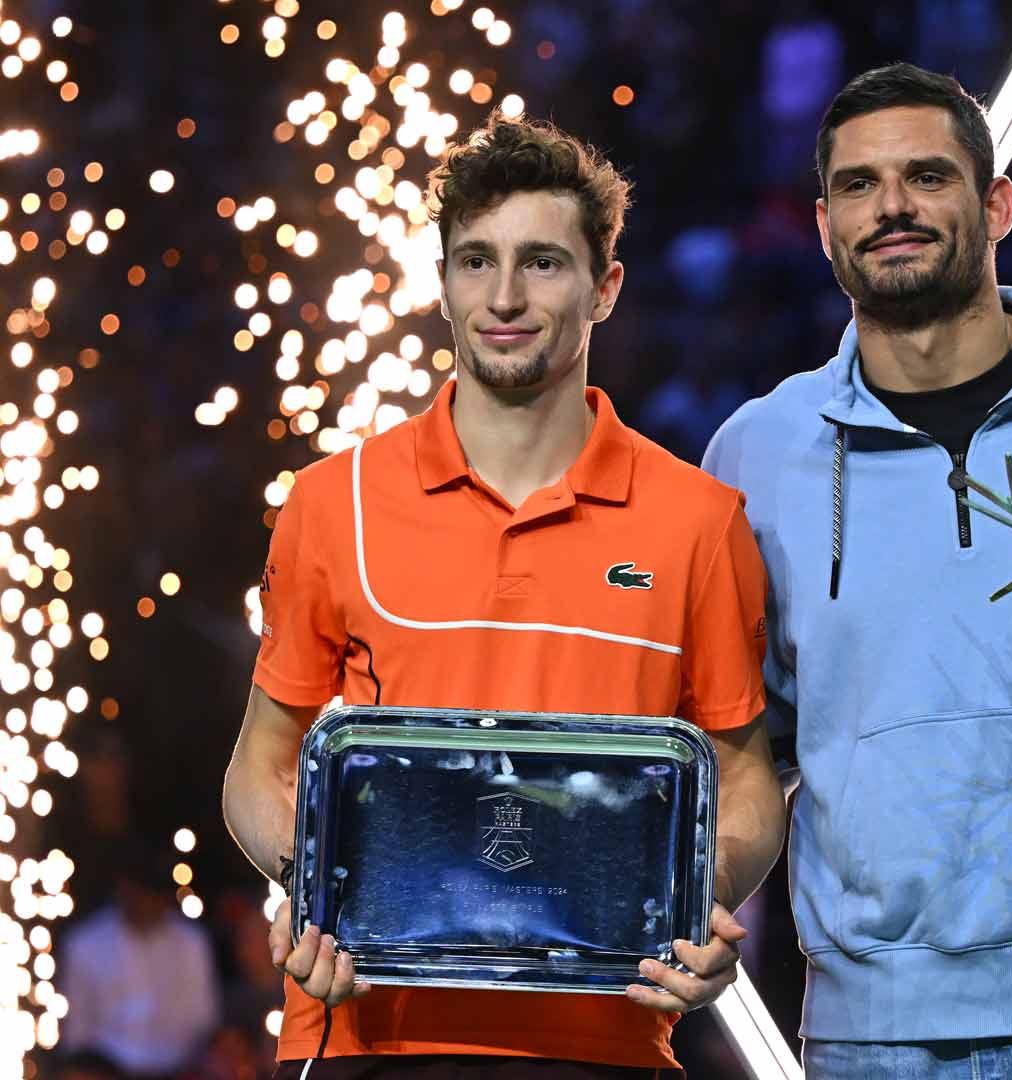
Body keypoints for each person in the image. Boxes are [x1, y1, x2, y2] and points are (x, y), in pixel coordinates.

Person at [220, 114, 785, 1077]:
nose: (506, 297)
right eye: (476, 261)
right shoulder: (330, 502)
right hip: (366, 1033)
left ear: (605, 287)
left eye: (543, 263)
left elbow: (746, 782)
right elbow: (258, 768)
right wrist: (310, 881)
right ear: (442, 282)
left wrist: (699, 895)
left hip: (607, 1040)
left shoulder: (698, 521)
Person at [702, 63, 1012, 1079]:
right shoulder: (756, 453)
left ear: (997, 204)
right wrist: (688, 898)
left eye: (927, 176)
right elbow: (746, 751)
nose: (892, 206)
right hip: (869, 1035)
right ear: (824, 224)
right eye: (858, 185)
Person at [58, 847, 220, 1079]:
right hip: (106, 1072)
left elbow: (203, 1020)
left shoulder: (192, 942)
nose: (150, 902)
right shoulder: (84, 944)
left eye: (157, 893)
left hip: (179, 1072)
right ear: (124, 888)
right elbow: (78, 1033)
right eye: (144, 891)